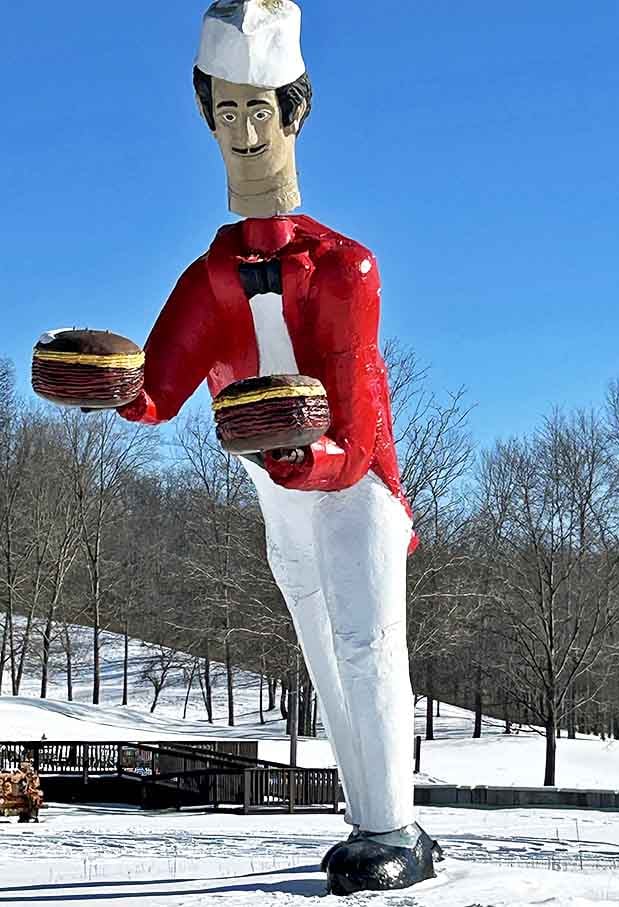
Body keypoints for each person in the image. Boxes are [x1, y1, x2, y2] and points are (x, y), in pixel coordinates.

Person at [118, 0, 439, 894]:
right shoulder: (212, 274)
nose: (245, 132)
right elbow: (158, 389)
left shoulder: (346, 267)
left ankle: (395, 828)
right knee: (321, 648)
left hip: (354, 489)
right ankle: (368, 817)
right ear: (207, 124)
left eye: (261, 109)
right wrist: (112, 385)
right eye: (226, 113)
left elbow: (361, 429)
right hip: (279, 501)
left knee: (368, 641)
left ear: (296, 112)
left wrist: (307, 458)